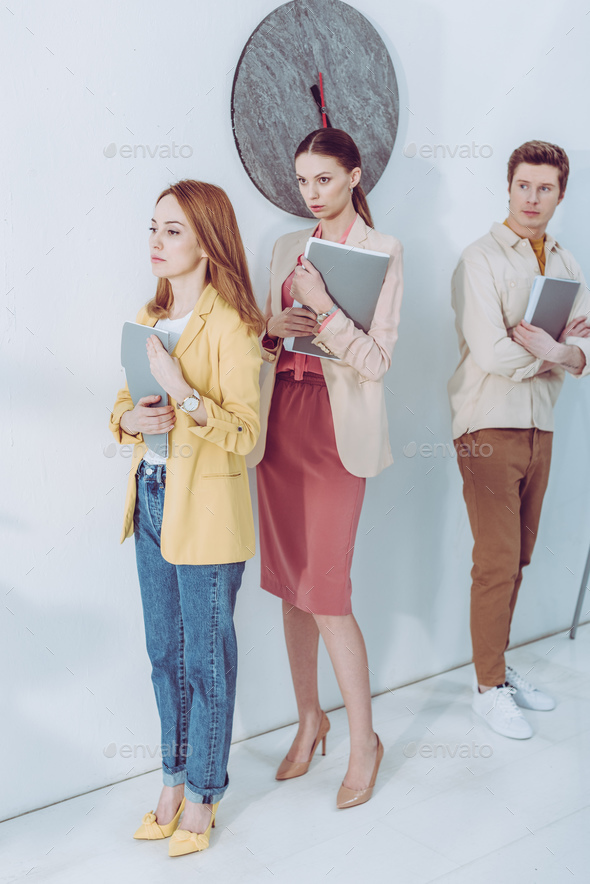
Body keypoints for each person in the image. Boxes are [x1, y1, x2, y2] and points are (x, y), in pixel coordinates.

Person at [247, 128, 404, 808]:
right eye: (304, 181)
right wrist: (269, 330)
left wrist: (327, 309)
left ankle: (365, 741)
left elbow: (377, 362)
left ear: (355, 177)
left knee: (328, 592)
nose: (311, 193)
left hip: (338, 435)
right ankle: (311, 719)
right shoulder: (285, 247)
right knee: (289, 587)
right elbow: (261, 334)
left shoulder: (384, 251)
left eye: (324, 180)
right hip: (282, 421)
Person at [109, 180, 263, 856]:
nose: (156, 242)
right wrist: (129, 416)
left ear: (207, 239)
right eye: (153, 228)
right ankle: (170, 780)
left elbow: (247, 437)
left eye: (172, 230)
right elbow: (122, 401)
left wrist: (184, 394)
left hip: (204, 511)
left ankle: (204, 792)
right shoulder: (149, 315)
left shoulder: (232, 325)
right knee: (161, 655)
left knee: (205, 661)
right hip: (150, 494)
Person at [448, 141, 590, 740]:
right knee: (497, 561)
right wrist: (552, 354)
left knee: (521, 558)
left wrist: (557, 352)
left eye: (546, 189)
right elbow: (492, 352)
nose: (532, 198)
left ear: (562, 194)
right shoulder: (478, 259)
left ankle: (498, 671)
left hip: (541, 426)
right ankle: (486, 688)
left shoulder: (564, 263)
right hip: (487, 423)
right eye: (523, 186)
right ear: (508, 187)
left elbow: (580, 350)